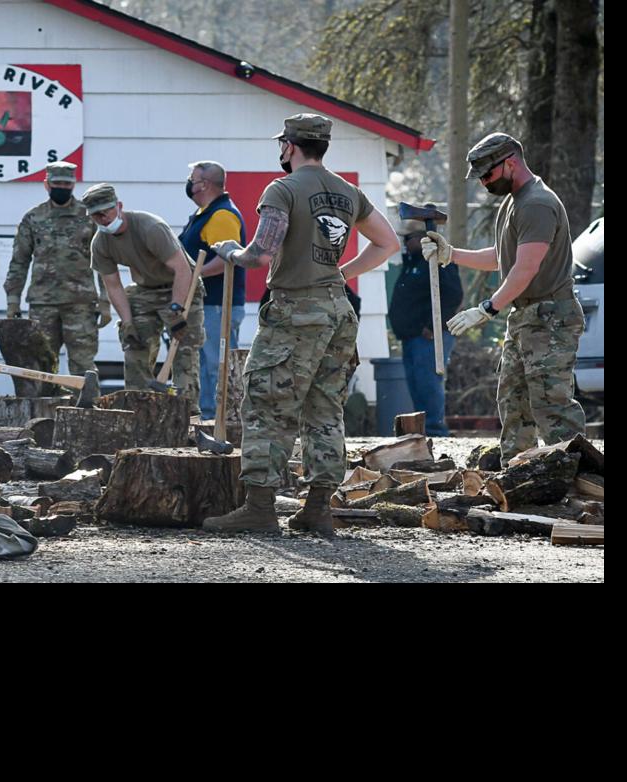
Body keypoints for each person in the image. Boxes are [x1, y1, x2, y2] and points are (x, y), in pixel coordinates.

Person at [201, 114, 400, 537]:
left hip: (295, 313)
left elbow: (260, 254)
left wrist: (232, 251)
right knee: (324, 409)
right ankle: (317, 509)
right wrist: (340, 273)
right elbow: (388, 243)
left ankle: (259, 507)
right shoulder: (348, 192)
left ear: (288, 147)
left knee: (266, 405)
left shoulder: (283, 188)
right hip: (338, 312)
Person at [429, 132, 586, 461]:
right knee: (514, 405)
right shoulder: (514, 203)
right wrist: (451, 254)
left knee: (552, 407)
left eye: (487, 174)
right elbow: (503, 258)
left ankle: (576, 479)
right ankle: (519, 477)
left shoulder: (537, 204)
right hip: (525, 318)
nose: (484, 182)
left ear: (510, 163)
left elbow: (525, 269)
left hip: (550, 319)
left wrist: (487, 308)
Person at [81, 183, 202, 395]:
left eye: (106, 211)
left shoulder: (150, 228)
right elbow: (114, 286)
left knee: (184, 347)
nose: (103, 219)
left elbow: (182, 270)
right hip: (144, 290)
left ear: (119, 206)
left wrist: (176, 309)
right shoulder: (100, 243)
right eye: (96, 215)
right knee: (134, 343)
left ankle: (188, 409)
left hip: (180, 286)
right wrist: (127, 323)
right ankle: (139, 402)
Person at [3, 161, 106, 402]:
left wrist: (106, 299)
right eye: (57, 183)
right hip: (42, 303)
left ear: (73, 185)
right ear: (46, 184)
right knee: (40, 366)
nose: (62, 187)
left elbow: (104, 260)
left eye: (66, 184)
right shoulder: (33, 218)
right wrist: (12, 301)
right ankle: (42, 418)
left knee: (83, 364)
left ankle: (88, 415)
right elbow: (19, 261)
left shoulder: (88, 217)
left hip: (80, 303)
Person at [178, 160, 246, 420]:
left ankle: (223, 421)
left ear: (203, 184)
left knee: (218, 366)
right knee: (206, 365)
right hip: (205, 305)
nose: (188, 183)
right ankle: (208, 419)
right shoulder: (205, 213)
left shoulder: (222, 215)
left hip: (217, 304)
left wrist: (191, 275)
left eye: (191, 178)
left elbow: (227, 258)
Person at [386, 213, 461, 436]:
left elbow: (453, 294)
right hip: (411, 337)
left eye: (407, 238)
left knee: (428, 384)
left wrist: (432, 325)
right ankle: (422, 433)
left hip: (428, 337)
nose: (404, 243)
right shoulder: (413, 263)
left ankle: (436, 432)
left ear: (421, 238)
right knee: (417, 385)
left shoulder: (437, 259)